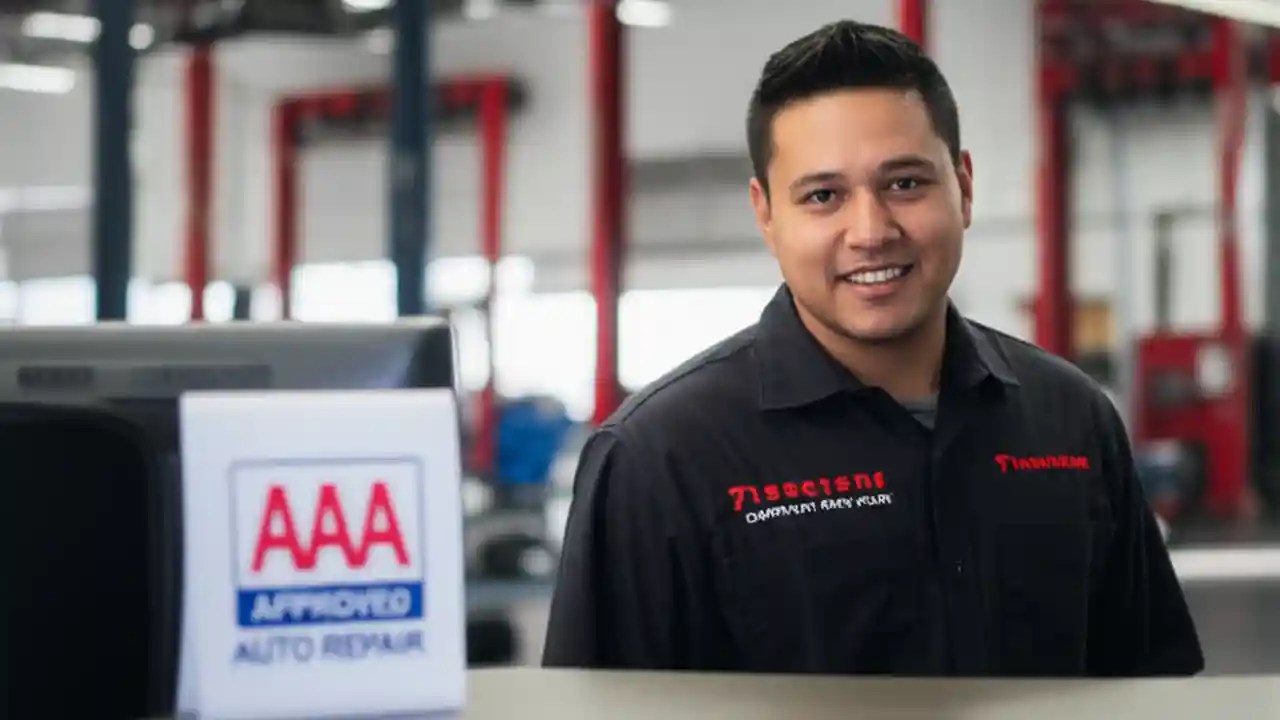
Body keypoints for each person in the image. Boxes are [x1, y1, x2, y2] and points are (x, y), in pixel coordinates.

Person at [542, 20, 1203, 677]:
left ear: (964, 188)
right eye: (824, 196)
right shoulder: (661, 460)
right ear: (767, 214)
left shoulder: (1071, 418)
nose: (871, 230)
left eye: (905, 183)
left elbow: (1154, 687)